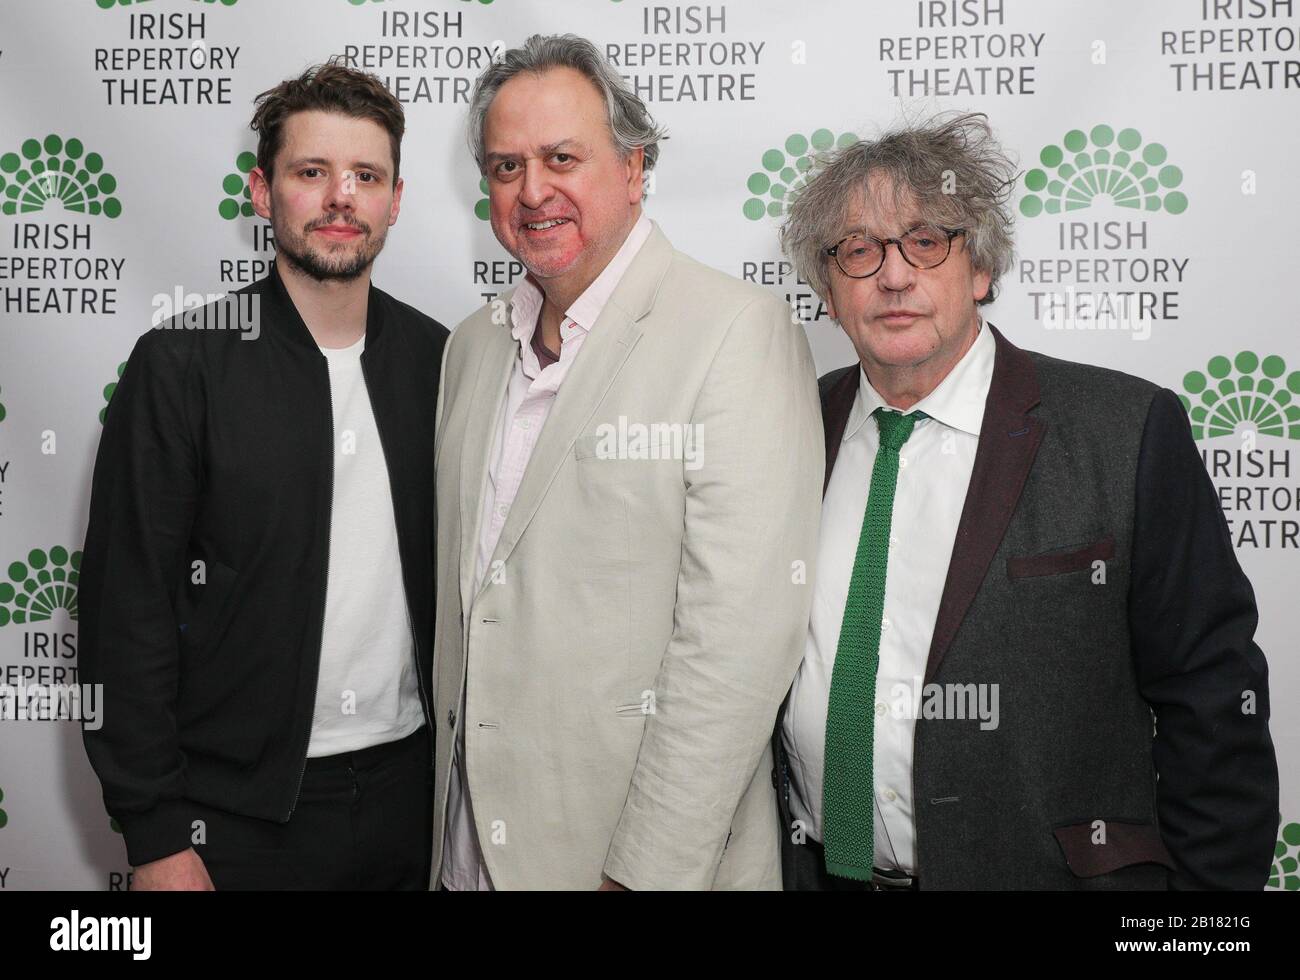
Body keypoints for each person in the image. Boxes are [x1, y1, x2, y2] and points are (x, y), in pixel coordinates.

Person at [773, 111, 1279, 890]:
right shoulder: (781, 433)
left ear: (979, 269)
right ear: (828, 294)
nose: (895, 275)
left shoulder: (1125, 431)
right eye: (860, 251)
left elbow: (1212, 701)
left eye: (926, 240)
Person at [432, 34, 822, 890]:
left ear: (635, 167)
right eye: (505, 167)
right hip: (466, 857)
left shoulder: (735, 332)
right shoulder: (470, 349)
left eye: (562, 157)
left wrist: (642, 876)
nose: (533, 191)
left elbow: (737, 644)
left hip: (631, 866)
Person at [79, 61, 448, 890]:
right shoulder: (180, 366)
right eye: (311, 173)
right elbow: (124, 614)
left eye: (366, 176)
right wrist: (156, 838)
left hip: (413, 802)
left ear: (396, 199)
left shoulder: (442, 363)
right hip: (232, 821)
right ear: (261, 191)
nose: (340, 197)